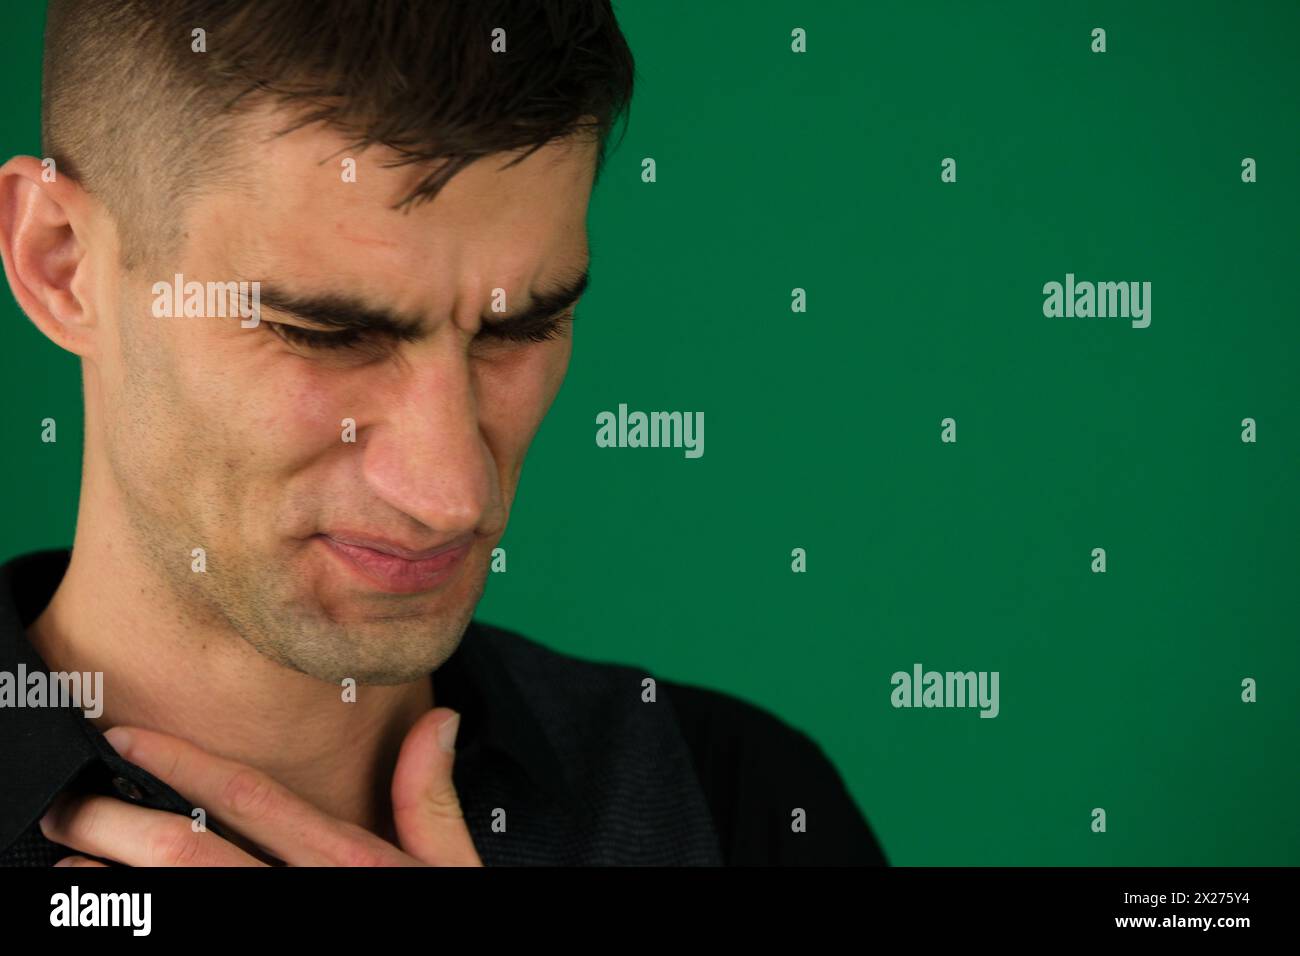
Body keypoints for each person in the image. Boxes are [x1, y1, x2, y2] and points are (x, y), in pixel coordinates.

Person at [0, 0, 885, 867]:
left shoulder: (742, 805)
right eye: (325, 333)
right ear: (61, 263)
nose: (454, 494)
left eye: (521, 330)